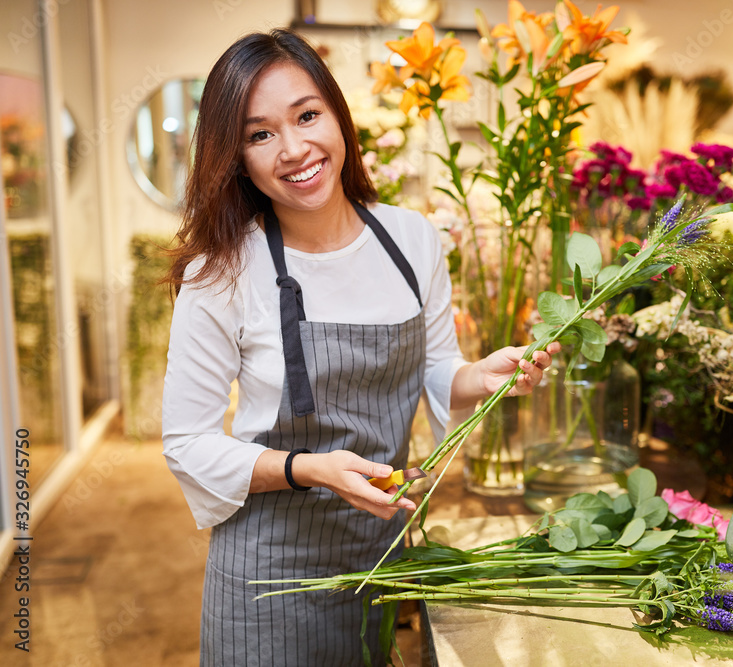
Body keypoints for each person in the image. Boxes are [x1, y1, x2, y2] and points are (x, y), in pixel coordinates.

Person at [161, 29, 557, 666]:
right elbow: (186, 442)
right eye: (260, 134)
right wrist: (310, 469)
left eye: (307, 115)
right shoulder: (222, 272)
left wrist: (479, 378)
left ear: (338, 115)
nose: (294, 149)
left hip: (380, 558)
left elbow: (434, 366)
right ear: (234, 157)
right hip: (268, 576)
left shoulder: (412, 240)